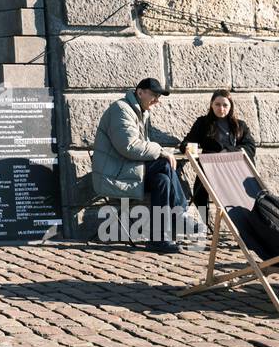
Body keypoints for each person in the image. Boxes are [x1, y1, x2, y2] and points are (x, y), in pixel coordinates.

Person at [91, 77, 184, 253]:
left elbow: (142, 147)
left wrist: (159, 151)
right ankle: (180, 214)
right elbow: (130, 147)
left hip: (130, 170)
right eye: (154, 95)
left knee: (162, 180)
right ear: (140, 92)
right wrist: (161, 151)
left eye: (159, 96)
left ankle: (159, 239)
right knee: (164, 165)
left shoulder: (139, 111)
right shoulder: (121, 110)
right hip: (115, 174)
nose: (157, 100)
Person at [180, 89, 257, 206]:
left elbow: (250, 147)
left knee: (238, 201)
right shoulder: (203, 123)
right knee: (200, 197)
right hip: (209, 167)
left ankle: (238, 222)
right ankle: (203, 222)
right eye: (217, 104)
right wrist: (186, 147)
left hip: (234, 169)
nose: (221, 108)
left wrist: (228, 151)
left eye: (225, 105)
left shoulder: (240, 126)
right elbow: (187, 142)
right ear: (211, 104)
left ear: (231, 106)